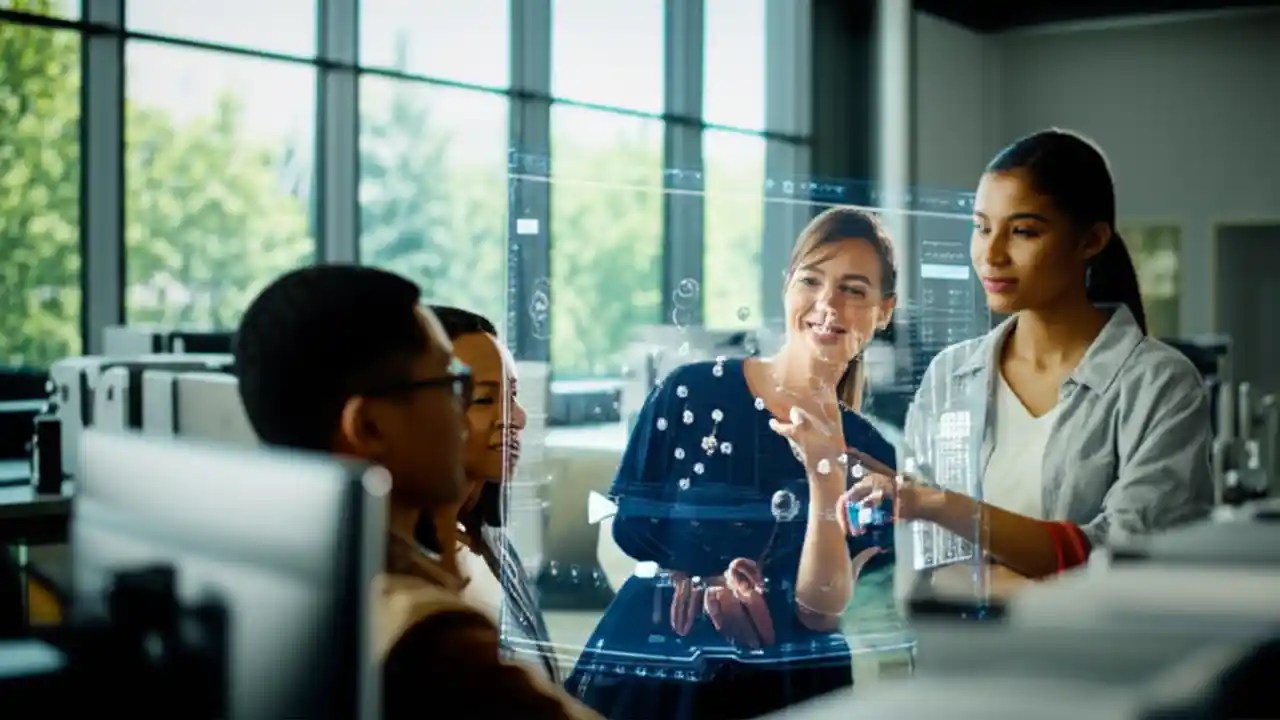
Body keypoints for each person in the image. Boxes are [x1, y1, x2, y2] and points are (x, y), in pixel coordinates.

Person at [842, 129, 1213, 592]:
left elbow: (1131, 561)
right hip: (960, 659)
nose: (992, 254)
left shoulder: (1160, 385)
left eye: (1023, 231)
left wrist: (939, 508)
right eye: (981, 227)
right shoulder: (949, 377)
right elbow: (921, 576)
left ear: (1091, 239)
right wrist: (1035, 580)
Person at [565, 207, 900, 719]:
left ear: (884, 310)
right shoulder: (689, 391)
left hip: (785, 685)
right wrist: (683, 576)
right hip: (658, 670)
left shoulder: (875, 457)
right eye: (811, 280)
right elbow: (629, 530)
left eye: (854, 289)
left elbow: (819, 610)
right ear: (787, 286)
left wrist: (823, 472)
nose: (827, 303)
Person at [233, 265, 598, 719]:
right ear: (368, 426)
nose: (463, 415)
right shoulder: (429, 641)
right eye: (453, 386)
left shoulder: (266, 583)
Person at [412, 305, 561, 684]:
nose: (516, 417)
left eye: (512, 394)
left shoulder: (490, 544)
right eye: (483, 399)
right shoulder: (416, 571)